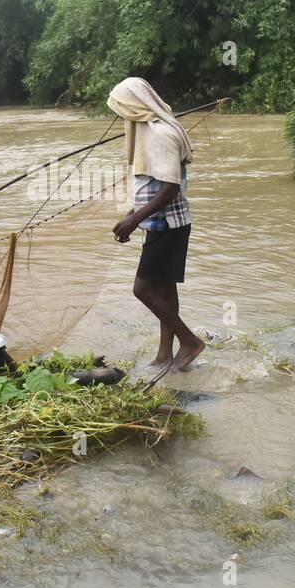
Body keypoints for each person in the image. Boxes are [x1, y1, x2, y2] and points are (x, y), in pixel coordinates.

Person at [106, 77, 205, 371]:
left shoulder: (160, 134)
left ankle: (190, 342)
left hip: (168, 225)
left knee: (143, 289)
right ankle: (165, 355)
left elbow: (170, 187)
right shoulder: (149, 132)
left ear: (133, 107)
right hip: (164, 223)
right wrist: (134, 214)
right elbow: (153, 183)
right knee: (164, 288)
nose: (121, 117)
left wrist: (134, 219)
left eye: (122, 110)